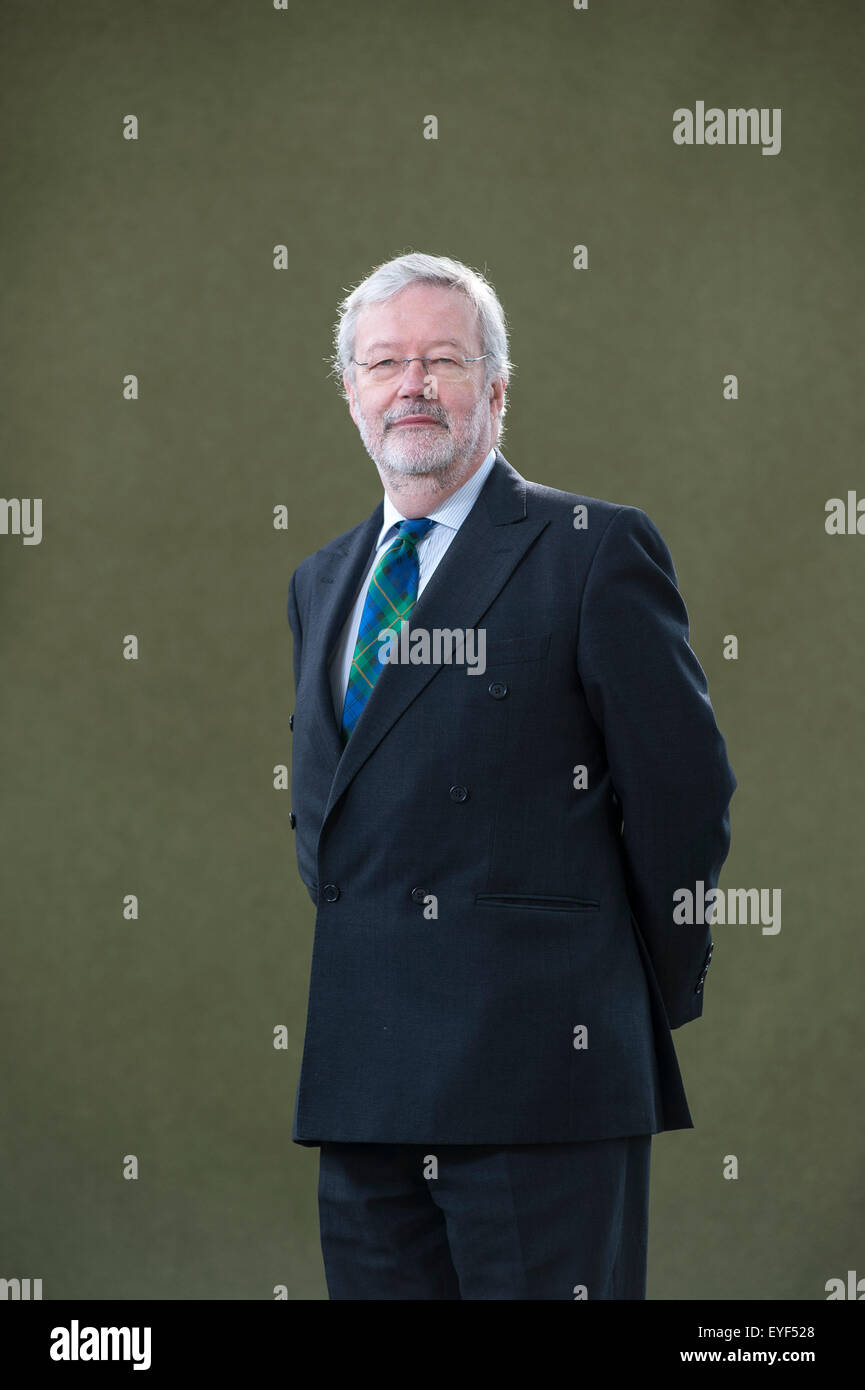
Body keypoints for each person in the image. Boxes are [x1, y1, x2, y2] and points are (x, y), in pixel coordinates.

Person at [285, 251, 736, 1300]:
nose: (412, 385)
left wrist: (619, 997)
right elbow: (330, 817)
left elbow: (684, 797)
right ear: (349, 390)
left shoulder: (591, 550)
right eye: (384, 361)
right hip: (363, 1088)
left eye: (442, 359)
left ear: (495, 386)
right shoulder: (320, 581)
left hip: (547, 1078)